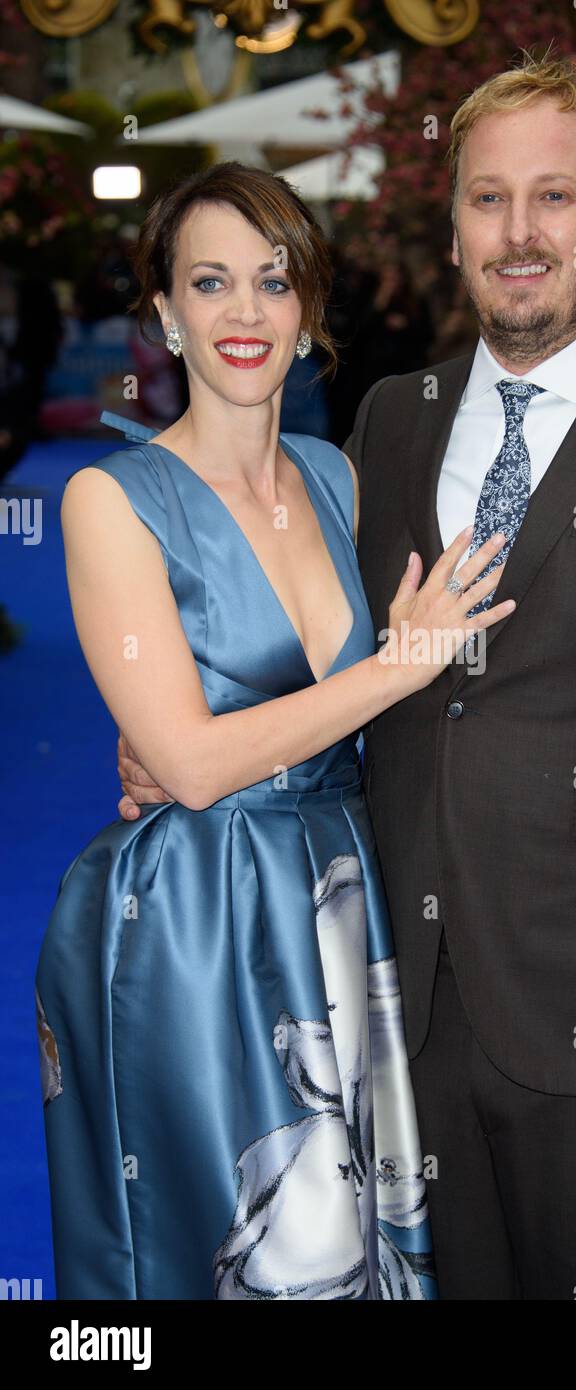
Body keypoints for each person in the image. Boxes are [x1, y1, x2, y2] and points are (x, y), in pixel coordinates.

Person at [117, 55, 576, 1300]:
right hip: (396, 1025)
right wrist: (199, 745)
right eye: (486, 199)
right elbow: (343, 666)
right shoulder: (388, 425)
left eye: (554, 199)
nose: (518, 234)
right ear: (450, 224)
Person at [35, 161, 516, 1300]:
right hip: (193, 924)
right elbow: (194, 765)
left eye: (272, 280)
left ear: (306, 308)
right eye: (210, 282)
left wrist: (394, 674)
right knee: (232, 1246)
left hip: (346, 901)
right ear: (163, 309)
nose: (244, 313)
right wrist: (403, 665)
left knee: (362, 1245)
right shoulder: (108, 499)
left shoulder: (336, 475)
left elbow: (329, 715)